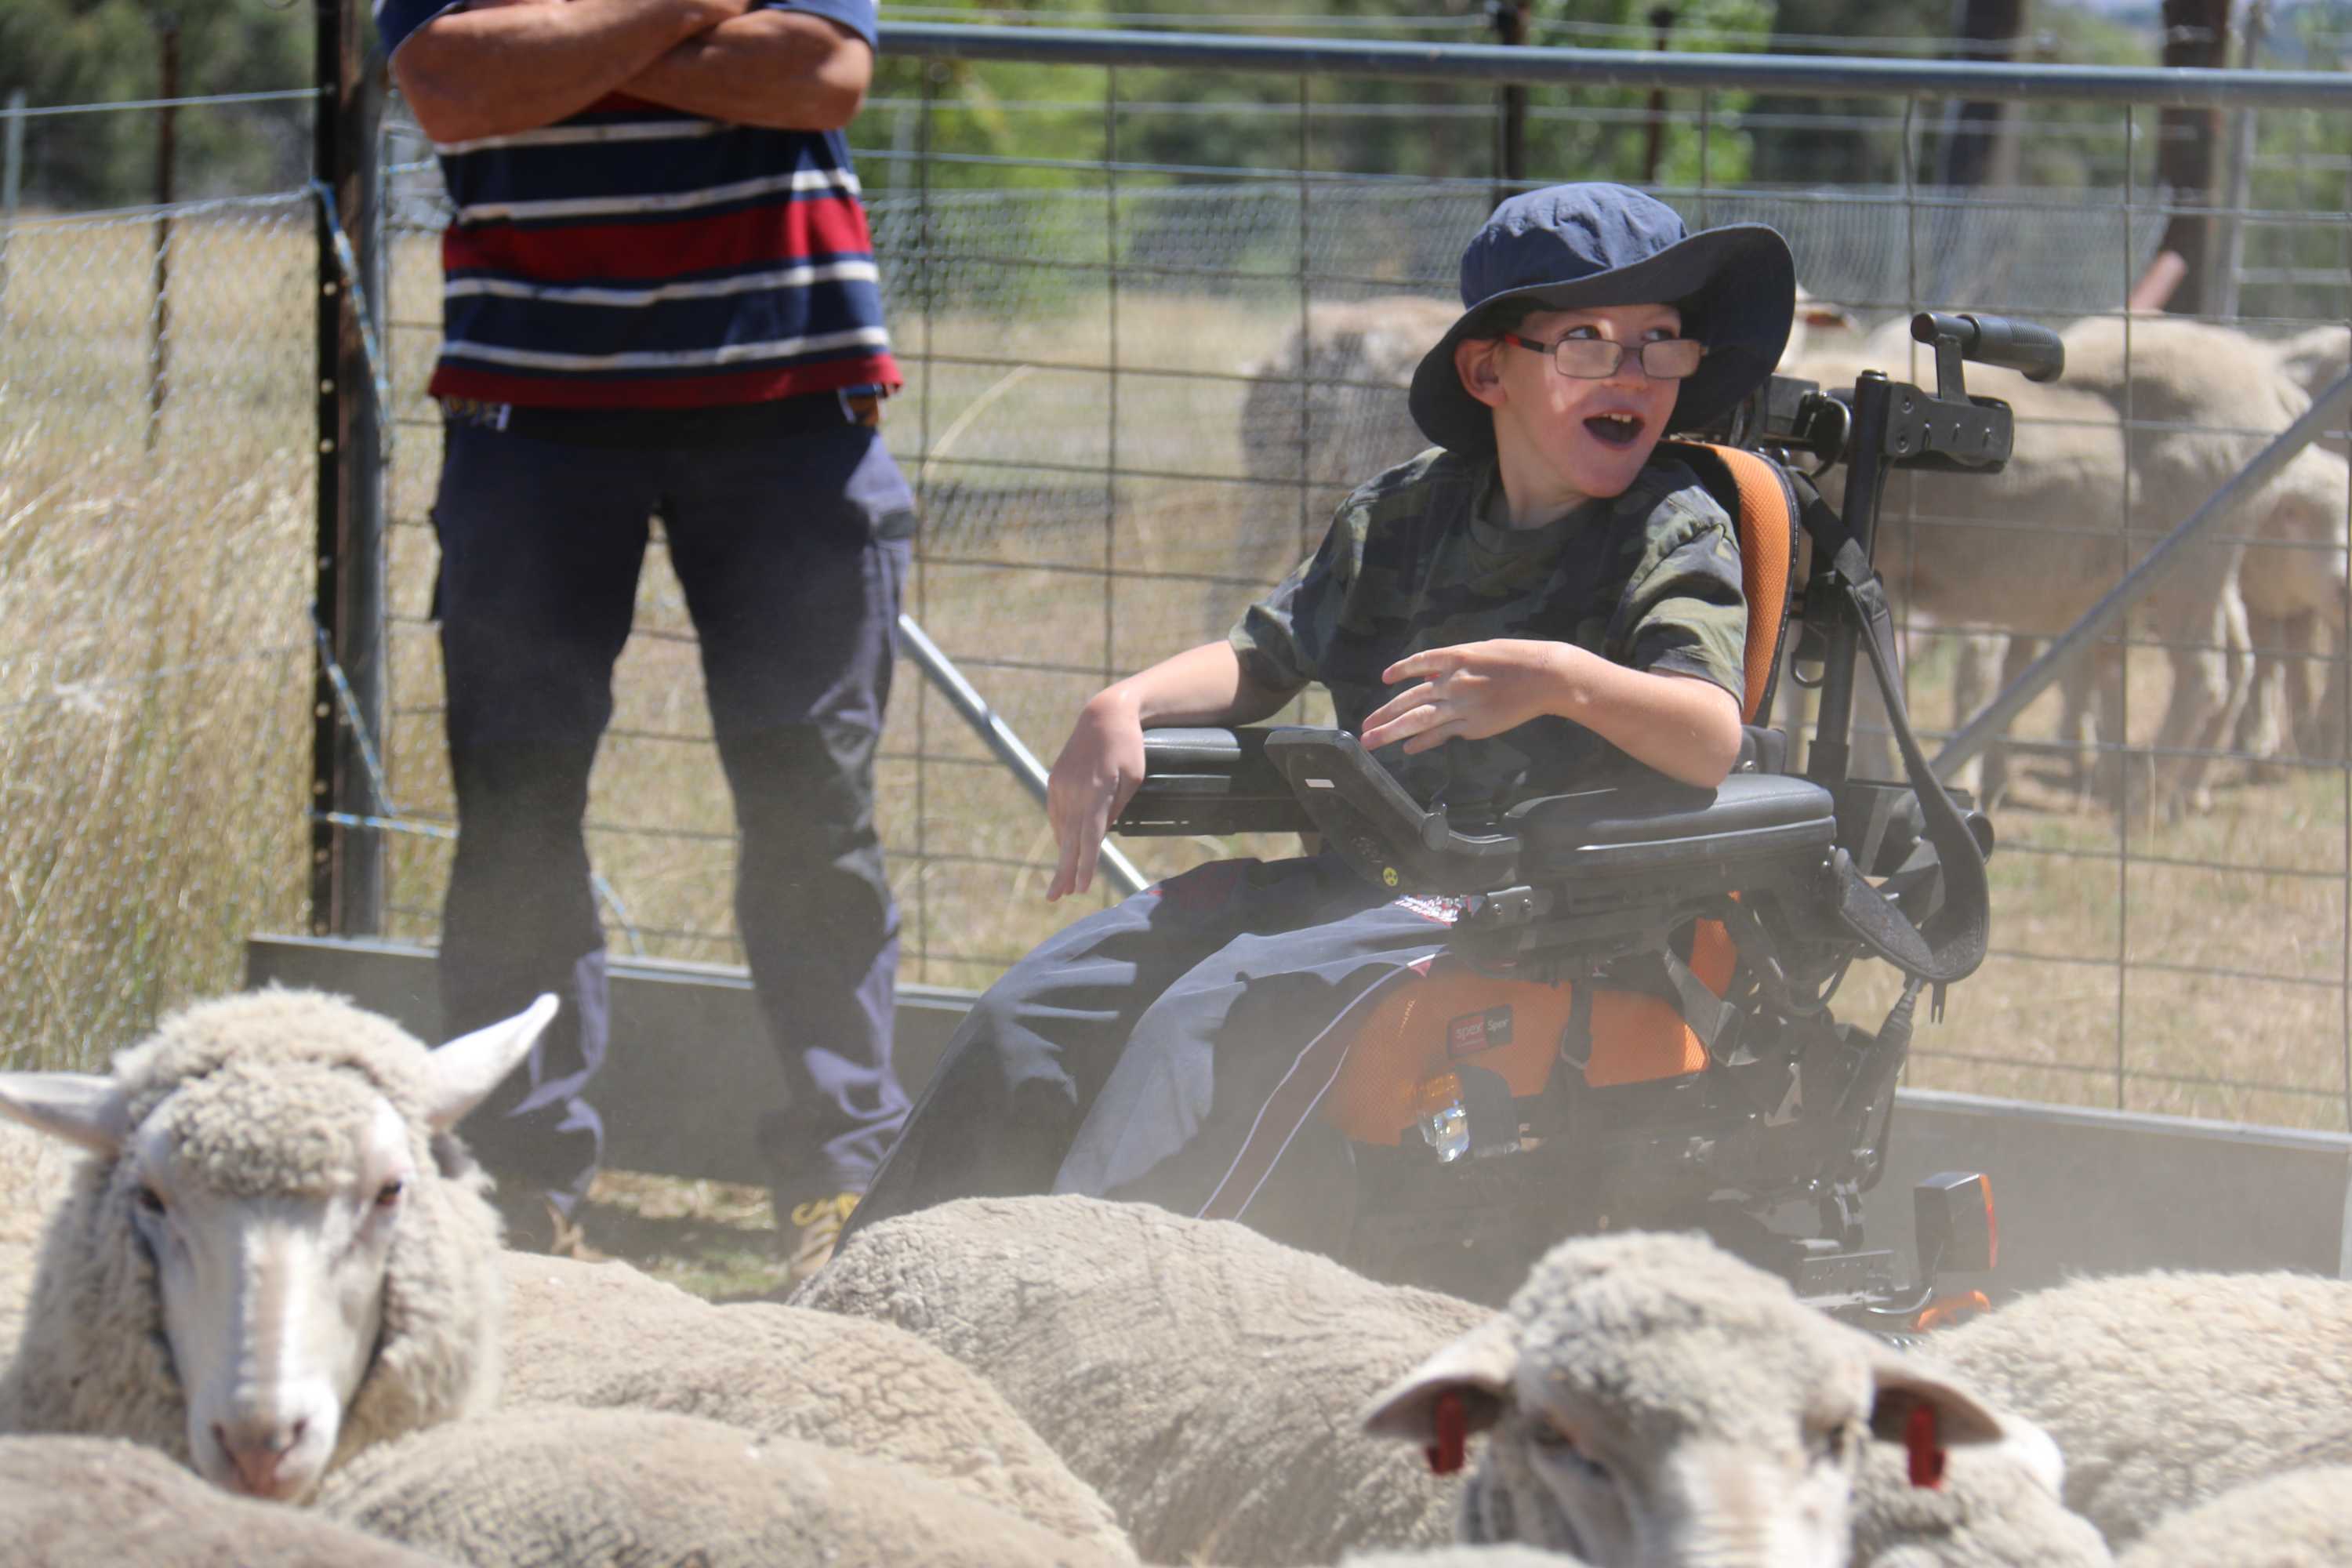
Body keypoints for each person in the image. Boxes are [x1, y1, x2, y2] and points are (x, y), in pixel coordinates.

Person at [845, 182, 1796, 1242]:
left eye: (1660, 343)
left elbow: (1709, 734)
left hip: (1533, 910)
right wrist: (1126, 702)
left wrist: (1559, 679)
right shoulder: (1401, 514)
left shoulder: (1671, 526)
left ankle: (1094, 1311)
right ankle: (896, 1295)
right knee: (1039, 1009)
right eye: (1586, 340)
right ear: (1490, 370)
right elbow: (1262, 660)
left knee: (1212, 1020)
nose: (1631, 373)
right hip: (1361, 886)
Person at [381, 0, 915, 1278]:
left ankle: (840, 1183)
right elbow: (450, 88)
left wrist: (559, 52)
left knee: (812, 807)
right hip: (530, 412)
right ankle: (519, 1181)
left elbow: (823, 73)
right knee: (516, 809)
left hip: (792, 410)